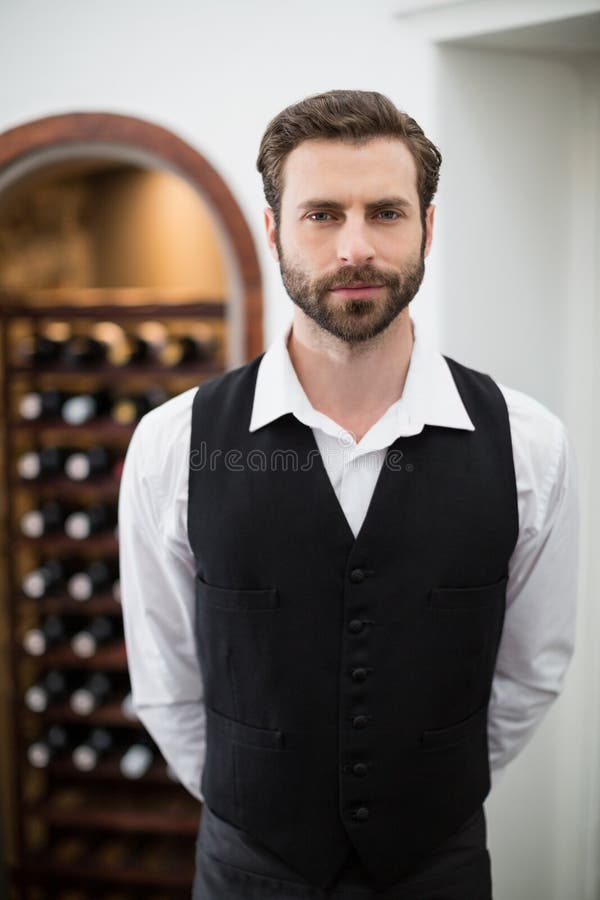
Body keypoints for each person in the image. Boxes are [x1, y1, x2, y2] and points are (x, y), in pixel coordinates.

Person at [118, 89, 579, 900]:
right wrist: (257, 810)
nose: (356, 247)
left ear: (429, 228)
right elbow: (166, 681)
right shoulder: (172, 443)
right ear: (274, 232)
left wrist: (424, 802)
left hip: (438, 867)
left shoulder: (529, 441)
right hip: (247, 868)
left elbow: (532, 671)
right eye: (323, 214)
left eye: (387, 213)